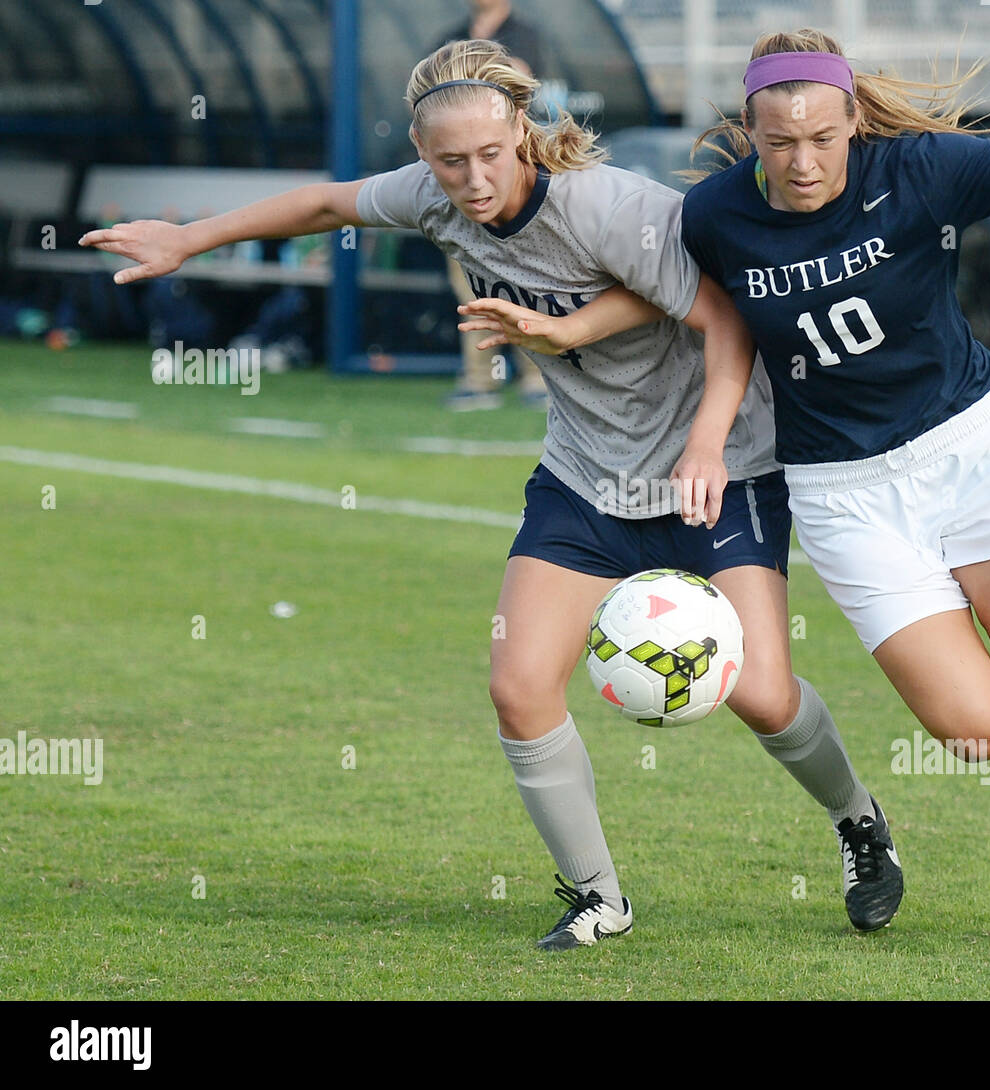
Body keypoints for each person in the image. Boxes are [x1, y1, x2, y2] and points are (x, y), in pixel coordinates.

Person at [79, 38, 903, 950]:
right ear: (424, 157)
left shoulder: (608, 204)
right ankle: (599, 897)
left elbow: (719, 312)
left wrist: (673, 418)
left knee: (761, 695)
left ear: (524, 130)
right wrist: (187, 238)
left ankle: (859, 821)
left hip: (716, 469)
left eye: (488, 155)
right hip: (586, 476)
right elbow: (322, 200)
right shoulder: (432, 195)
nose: (471, 179)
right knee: (518, 688)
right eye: (447, 161)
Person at [671, 29, 990, 948]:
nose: (802, 162)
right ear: (750, 133)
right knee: (974, 726)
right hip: (845, 492)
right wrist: (702, 438)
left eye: (821, 138)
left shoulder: (922, 169)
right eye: (778, 143)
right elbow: (720, 323)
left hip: (977, 450)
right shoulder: (714, 217)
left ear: (854, 119)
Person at [431, 0, 550, 410]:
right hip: (465, 191)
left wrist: (465, 75)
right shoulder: (449, 36)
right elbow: (433, 103)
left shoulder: (523, 33)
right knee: (467, 285)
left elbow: (516, 81)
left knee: (524, 282)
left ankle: (536, 379)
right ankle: (479, 381)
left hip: (513, 181)